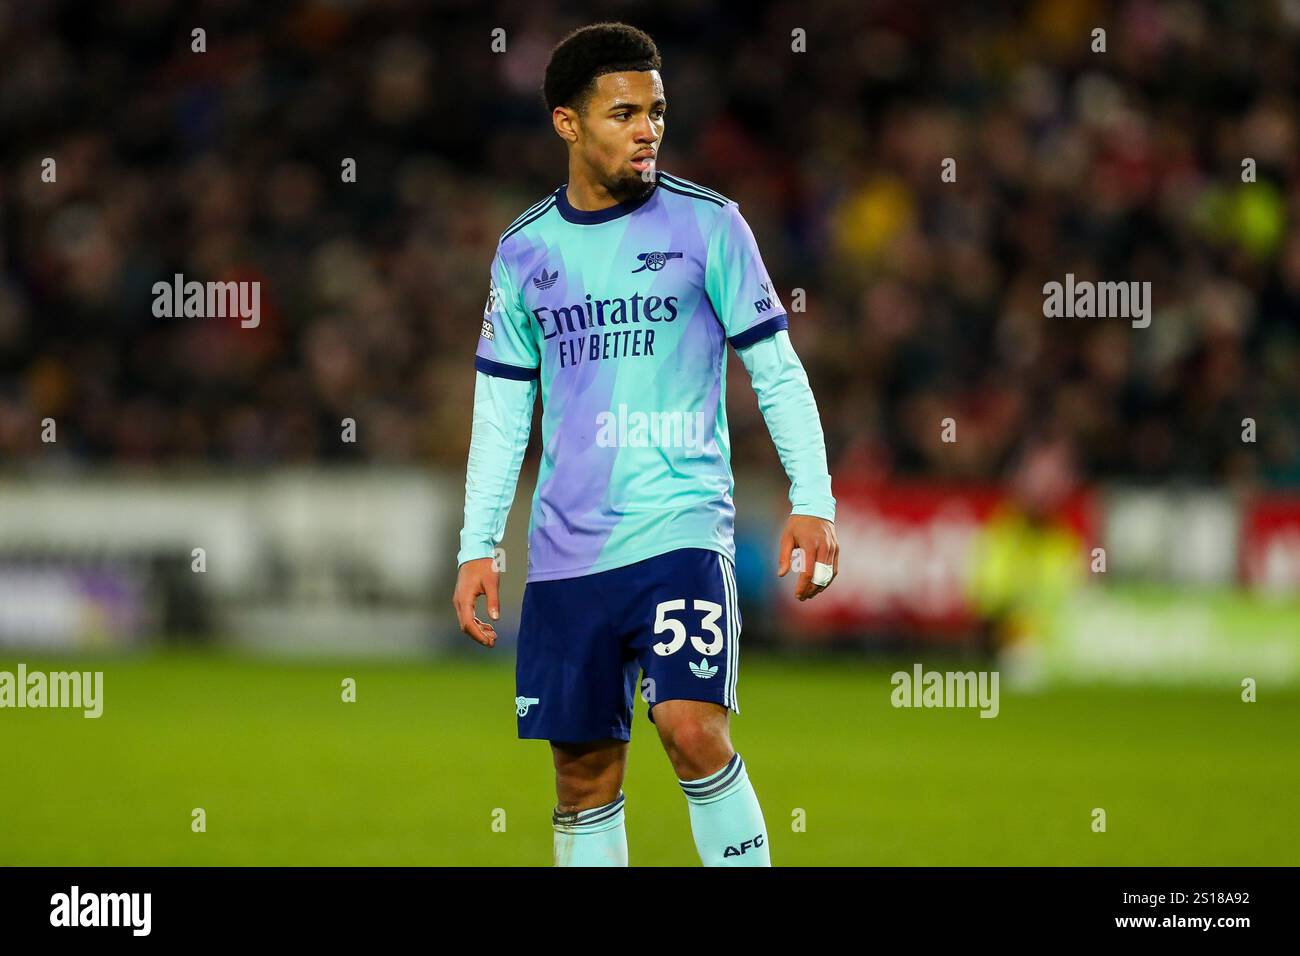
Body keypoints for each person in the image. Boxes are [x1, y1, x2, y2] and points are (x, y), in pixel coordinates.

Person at [452, 22, 838, 866]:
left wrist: (813, 499)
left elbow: (776, 370)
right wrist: (479, 545)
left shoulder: (712, 226)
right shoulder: (523, 253)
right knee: (583, 776)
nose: (648, 129)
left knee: (690, 726)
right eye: (625, 112)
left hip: (680, 530)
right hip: (565, 552)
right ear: (567, 124)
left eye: (657, 111)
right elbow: (501, 409)